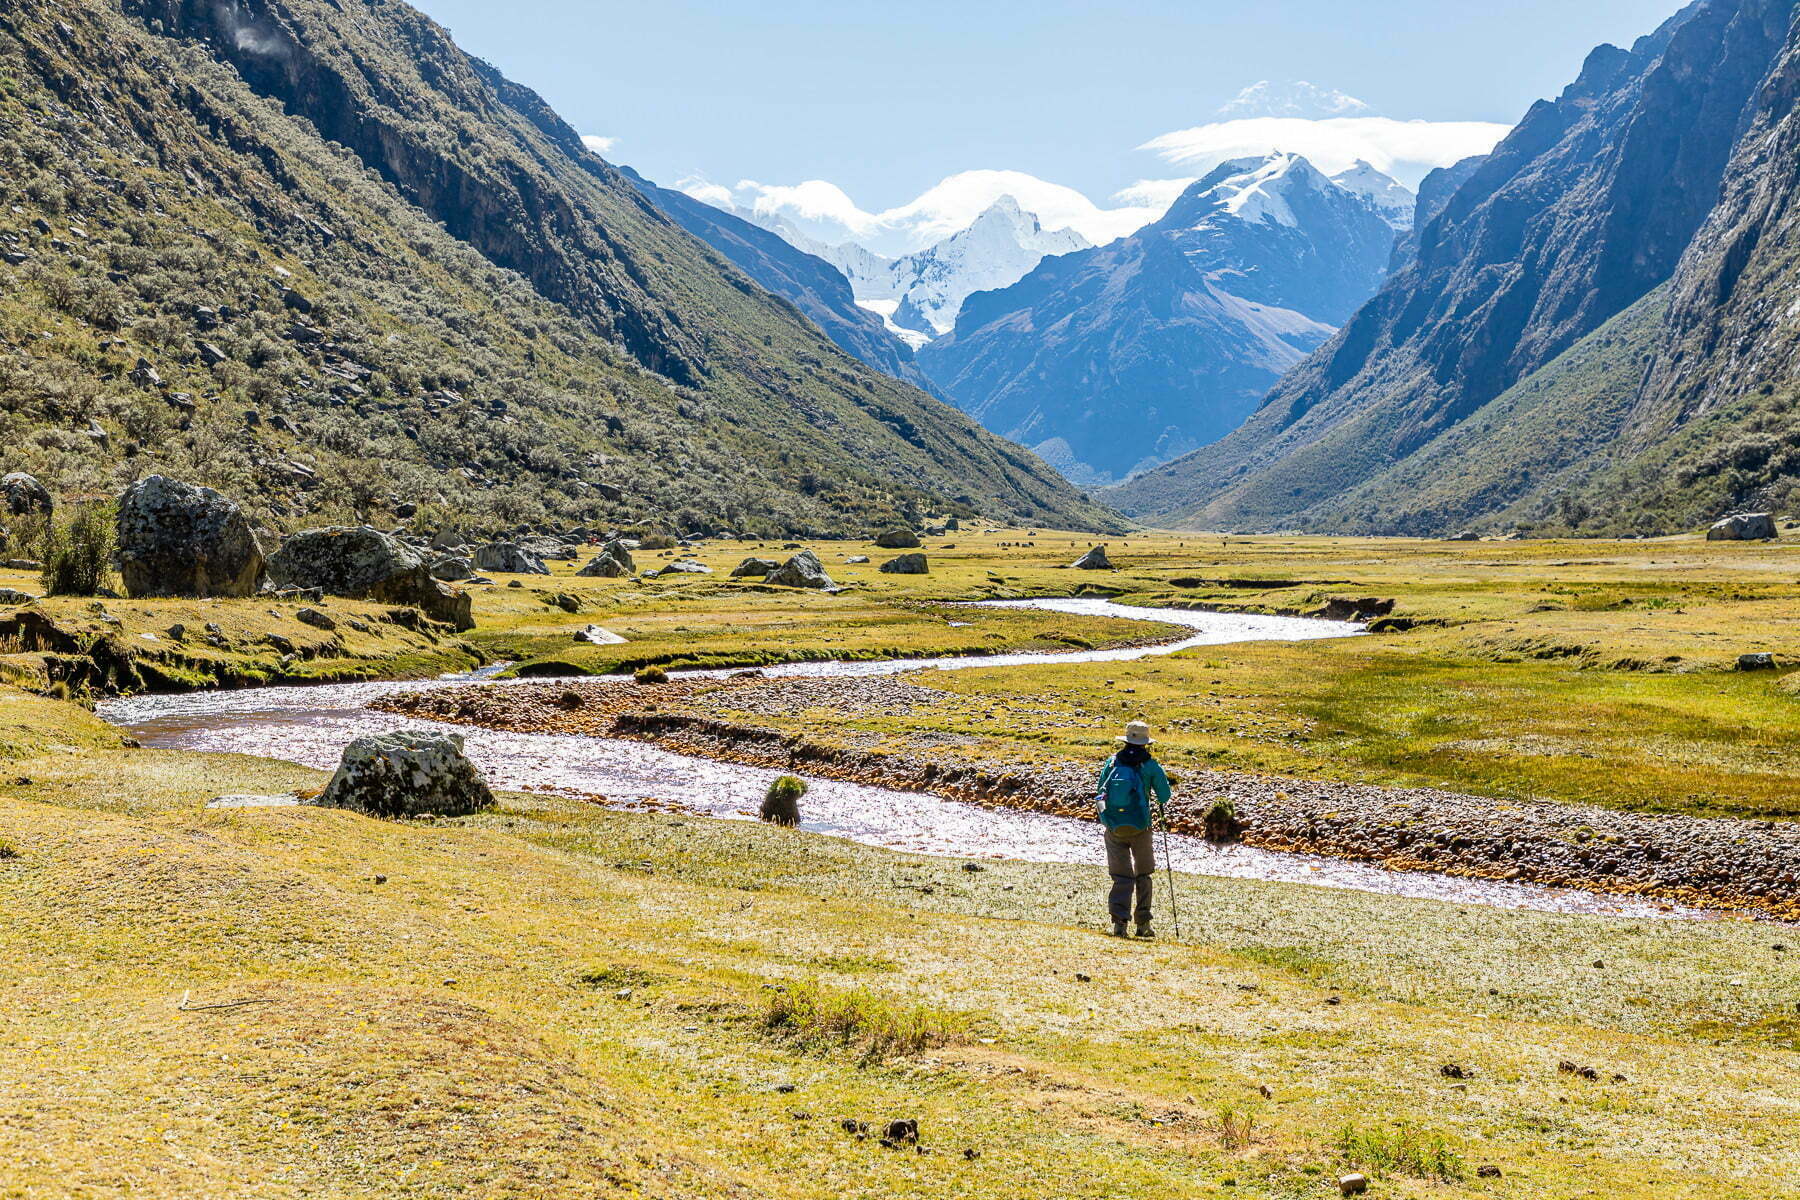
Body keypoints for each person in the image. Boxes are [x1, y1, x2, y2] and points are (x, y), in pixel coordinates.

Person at [1096, 720, 1172, 938]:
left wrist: (1106, 819)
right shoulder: (1150, 765)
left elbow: (1100, 793)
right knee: (1143, 875)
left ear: (1126, 739)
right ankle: (1143, 925)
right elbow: (1164, 797)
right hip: (1141, 827)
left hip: (1114, 828)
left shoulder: (1111, 763)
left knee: (1121, 876)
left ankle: (1120, 924)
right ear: (1146, 743)